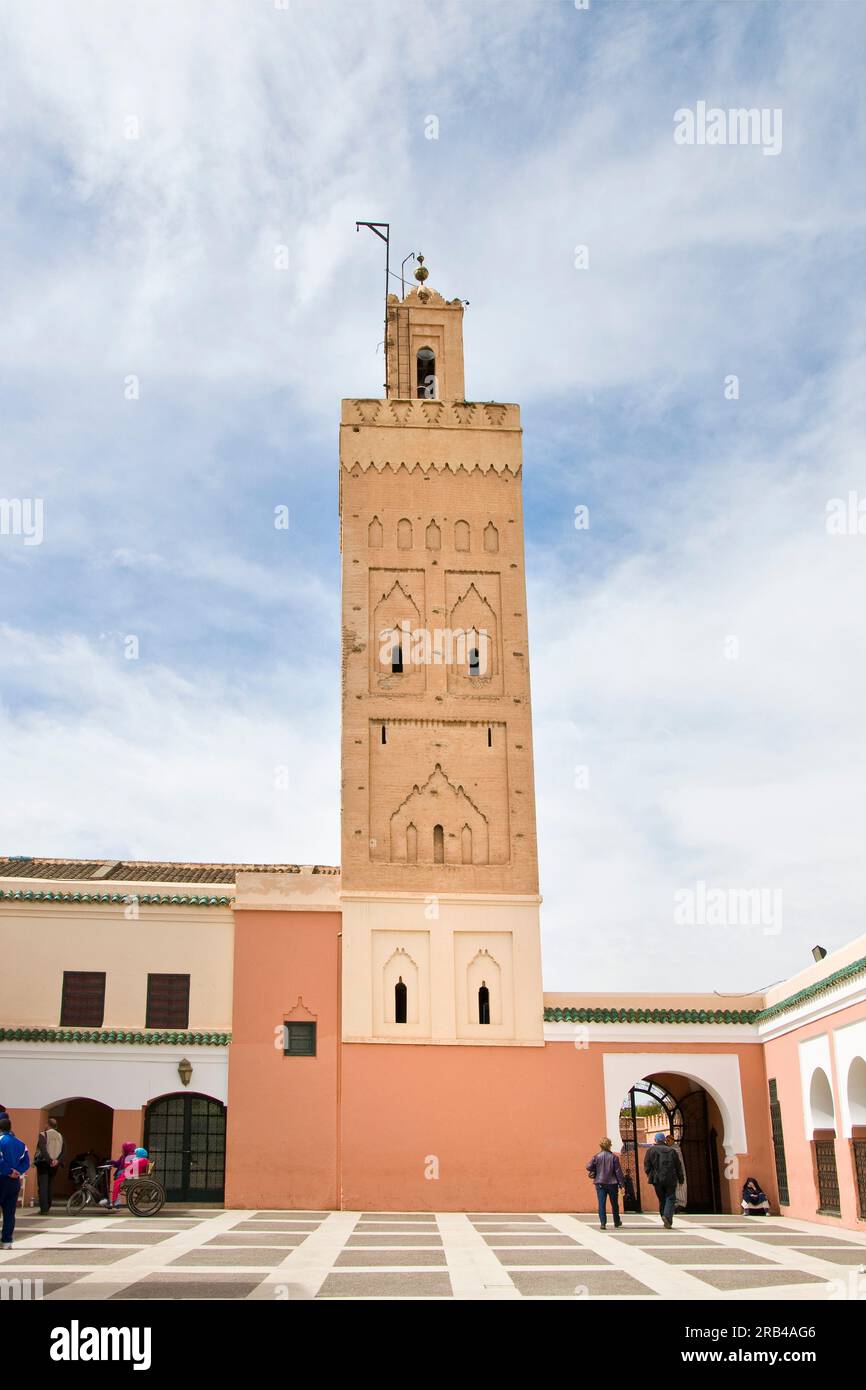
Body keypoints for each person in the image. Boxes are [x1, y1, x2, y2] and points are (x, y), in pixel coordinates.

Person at [0, 1115, 31, 1249]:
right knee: (9, 1213)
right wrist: (17, 1171)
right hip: (14, 1182)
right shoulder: (20, 1143)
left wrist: (8, 1171)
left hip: (1, 1177)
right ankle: (7, 1241)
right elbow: (26, 1161)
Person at [644, 1131, 684, 1228]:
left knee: (662, 1199)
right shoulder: (672, 1151)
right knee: (670, 1198)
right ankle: (667, 1217)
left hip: (657, 1179)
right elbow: (678, 1166)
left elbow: (647, 1166)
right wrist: (681, 1179)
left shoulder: (651, 1151)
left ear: (655, 1140)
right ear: (664, 1140)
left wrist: (651, 1175)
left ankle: (665, 1217)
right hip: (670, 1179)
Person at [586, 1137, 626, 1230]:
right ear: (610, 1145)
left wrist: (595, 1169)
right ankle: (616, 1221)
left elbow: (588, 1167)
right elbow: (618, 1172)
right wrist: (622, 1185)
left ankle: (603, 1223)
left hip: (600, 1183)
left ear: (600, 1145)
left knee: (601, 1203)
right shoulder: (614, 1157)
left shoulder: (596, 1157)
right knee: (614, 1203)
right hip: (612, 1183)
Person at [34, 1116, 65, 1215]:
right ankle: (49, 1204)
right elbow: (64, 1151)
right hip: (55, 1164)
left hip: (44, 1163)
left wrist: (50, 1160)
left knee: (43, 1186)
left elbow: (43, 1149)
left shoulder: (43, 1134)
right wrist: (57, 1161)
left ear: (48, 1125)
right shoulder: (60, 1136)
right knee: (50, 1185)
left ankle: (44, 1208)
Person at [106, 1142, 147, 1208]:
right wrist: (111, 1162)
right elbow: (117, 1163)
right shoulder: (124, 1156)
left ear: (126, 1149)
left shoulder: (131, 1156)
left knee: (117, 1184)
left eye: (123, 1149)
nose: (122, 1150)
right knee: (117, 1185)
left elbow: (130, 1167)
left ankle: (116, 1202)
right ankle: (116, 1202)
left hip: (126, 1174)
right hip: (123, 1173)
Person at [665, 1133, 688, 1212]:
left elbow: (678, 1164)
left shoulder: (676, 1149)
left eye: (668, 1140)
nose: (667, 1142)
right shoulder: (671, 1149)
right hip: (673, 1174)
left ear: (672, 1141)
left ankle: (679, 1206)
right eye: (666, 1140)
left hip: (678, 1173)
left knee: (680, 1190)